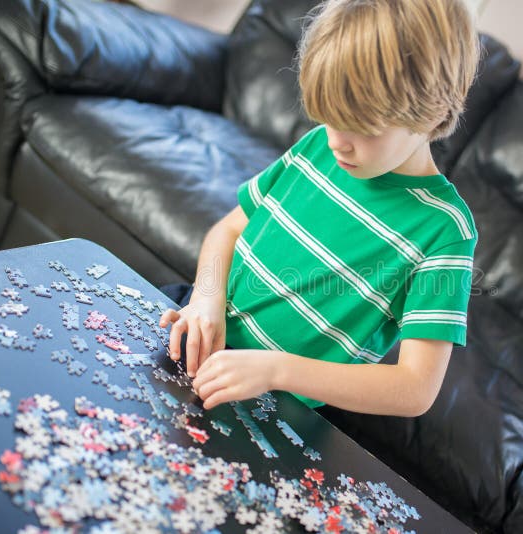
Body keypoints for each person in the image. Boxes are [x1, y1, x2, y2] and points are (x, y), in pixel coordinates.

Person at [159, 0, 482, 417]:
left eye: (361, 127)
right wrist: (206, 300)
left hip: (270, 404)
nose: (336, 141)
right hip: (197, 327)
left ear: (432, 110)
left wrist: (276, 370)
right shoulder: (316, 149)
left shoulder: (444, 230)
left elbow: (414, 389)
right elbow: (226, 231)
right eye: (328, 117)